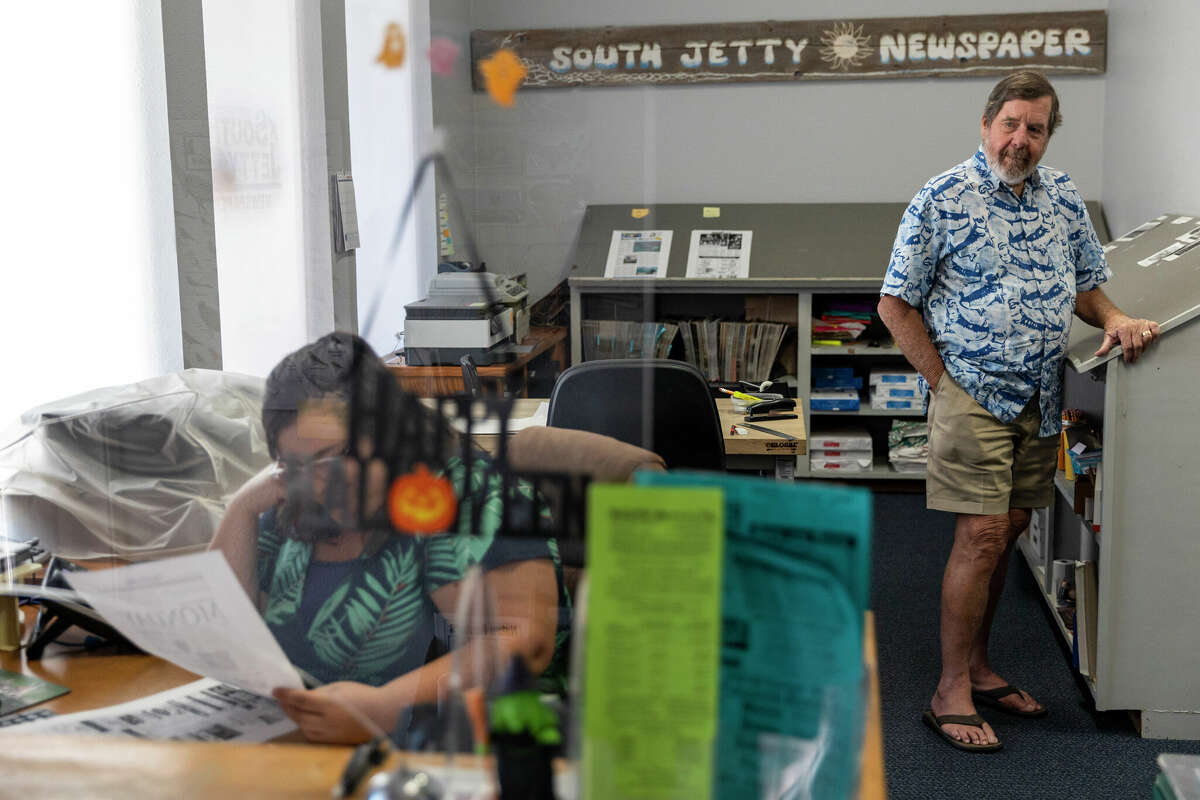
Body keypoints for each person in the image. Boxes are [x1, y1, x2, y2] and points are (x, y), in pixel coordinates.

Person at [878, 70, 1160, 752]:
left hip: (1038, 395)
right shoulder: (942, 197)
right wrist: (945, 384)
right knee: (978, 536)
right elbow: (894, 303)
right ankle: (948, 692)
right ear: (986, 124)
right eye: (1011, 124)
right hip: (972, 391)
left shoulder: (1062, 196)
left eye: (1035, 128)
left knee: (1006, 529)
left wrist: (1118, 318)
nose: (1020, 139)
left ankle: (978, 665)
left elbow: (1087, 284)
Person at [210, 332, 563, 744]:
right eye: (295, 464)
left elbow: (526, 641)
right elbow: (219, 633)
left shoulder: (475, 495)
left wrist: (385, 708)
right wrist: (242, 508)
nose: (319, 483)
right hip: (306, 750)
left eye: (333, 456)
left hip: (459, 754)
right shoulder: (296, 497)